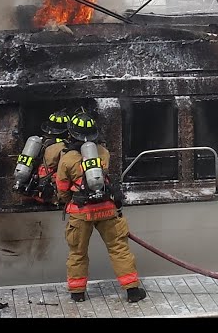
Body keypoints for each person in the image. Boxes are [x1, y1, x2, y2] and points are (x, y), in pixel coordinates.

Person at [55, 111, 146, 303]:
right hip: (106, 209)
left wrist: (65, 200)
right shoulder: (103, 153)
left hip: (80, 212)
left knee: (78, 253)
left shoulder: (68, 158)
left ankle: (78, 293)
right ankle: (132, 291)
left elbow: (62, 188)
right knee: (119, 249)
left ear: (72, 134)